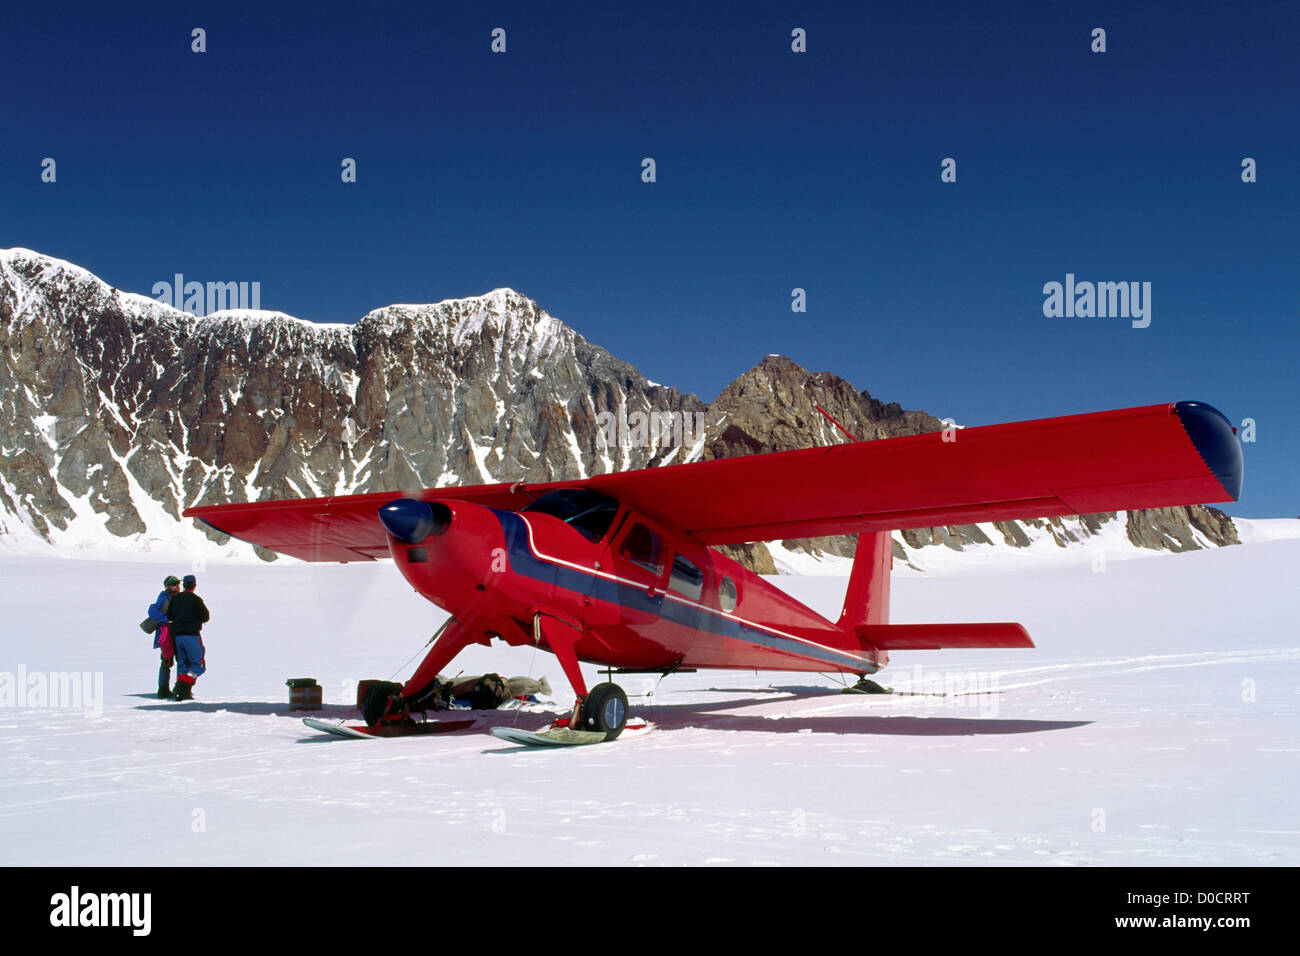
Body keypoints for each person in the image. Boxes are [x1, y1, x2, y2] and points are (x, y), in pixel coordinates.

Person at [167, 575, 210, 701]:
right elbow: (205, 616)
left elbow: (170, 615)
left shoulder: (175, 599)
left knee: (183, 665)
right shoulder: (196, 600)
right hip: (191, 635)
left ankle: (183, 693)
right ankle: (181, 687)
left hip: (177, 636)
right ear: (194, 585)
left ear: (184, 585)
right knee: (198, 664)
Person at [147, 576, 181, 698]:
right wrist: (166, 619)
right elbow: (152, 611)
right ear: (167, 586)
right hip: (166, 633)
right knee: (167, 660)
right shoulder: (163, 597)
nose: (176, 586)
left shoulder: (180, 597)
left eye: (177, 583)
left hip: (178, 632)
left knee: (180, 660)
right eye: (173, 584)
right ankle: (163, 689)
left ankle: (179, 688)